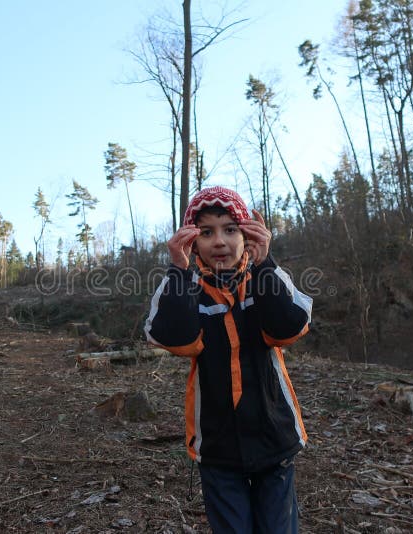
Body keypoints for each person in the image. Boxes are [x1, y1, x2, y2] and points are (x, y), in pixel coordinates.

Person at [144, 186, 313, 533]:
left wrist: (265, 263)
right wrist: (179, 269)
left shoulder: (266, 278)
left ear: (248, 233)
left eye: (230, 229)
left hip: (274, 438)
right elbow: (174, 338)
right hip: (218, 446)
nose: (219, 242)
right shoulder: (186, 287)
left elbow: (290, 327)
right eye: (206, 232)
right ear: (192, 241)